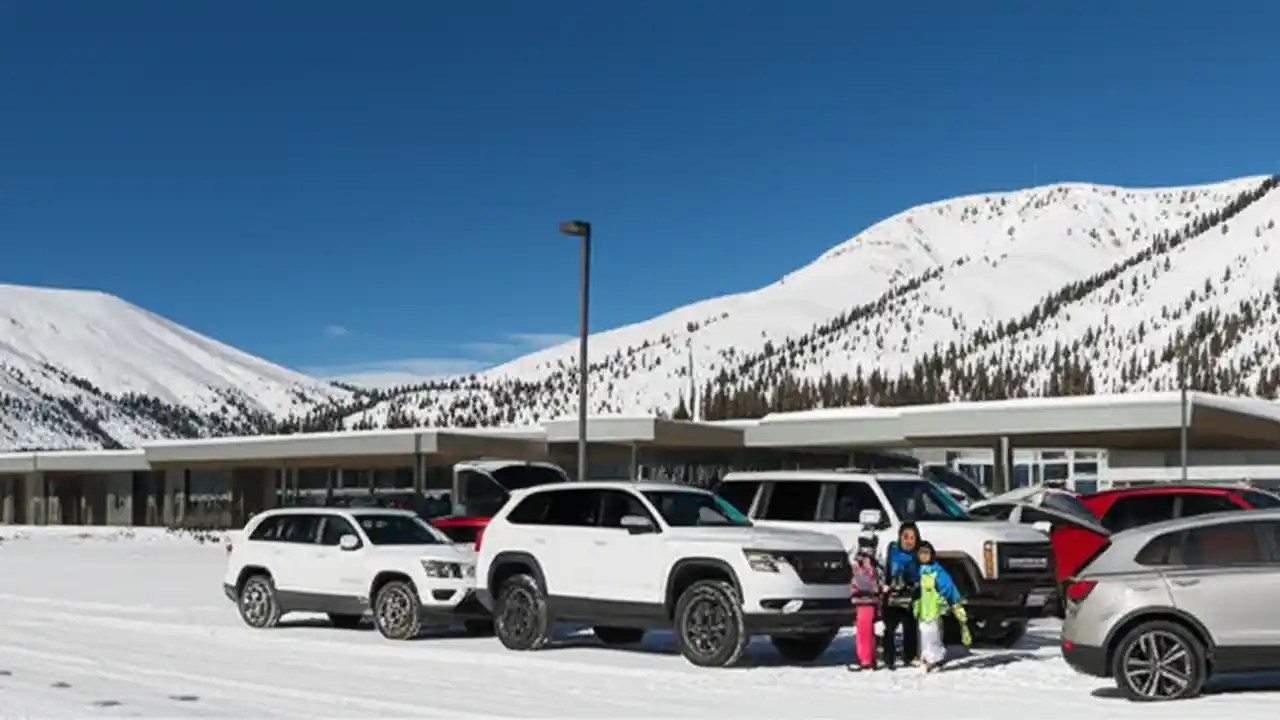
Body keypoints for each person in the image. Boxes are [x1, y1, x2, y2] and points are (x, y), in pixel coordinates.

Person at [912, 540, 970, 672]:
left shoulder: (937, 571)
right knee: (924, 633)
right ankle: (925, 656)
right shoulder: (919, 571)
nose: (924, 556)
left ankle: (935, 658)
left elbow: (948, 587)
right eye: (921, 553)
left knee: (933, 633)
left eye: (926, 553)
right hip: (923, 609)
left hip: (934, 608)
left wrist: (954, 602)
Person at [881, 522, 921, 669]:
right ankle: (888, 657)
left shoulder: (919, 553)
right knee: (889, 626)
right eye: (905, 537)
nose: (909, 541)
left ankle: (909, 656)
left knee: (910, 625)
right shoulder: (893, 550)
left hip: (911, 594)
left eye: (912, 537)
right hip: (892, 593)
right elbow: (887, 570)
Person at [848, 542, 882, 671]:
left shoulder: (873, 569)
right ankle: (866, 657)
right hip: (860, 601)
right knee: (862, 630)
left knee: (866, 630)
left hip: (869, 601)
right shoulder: (857, 568)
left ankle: (867, 659)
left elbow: (869, 583)